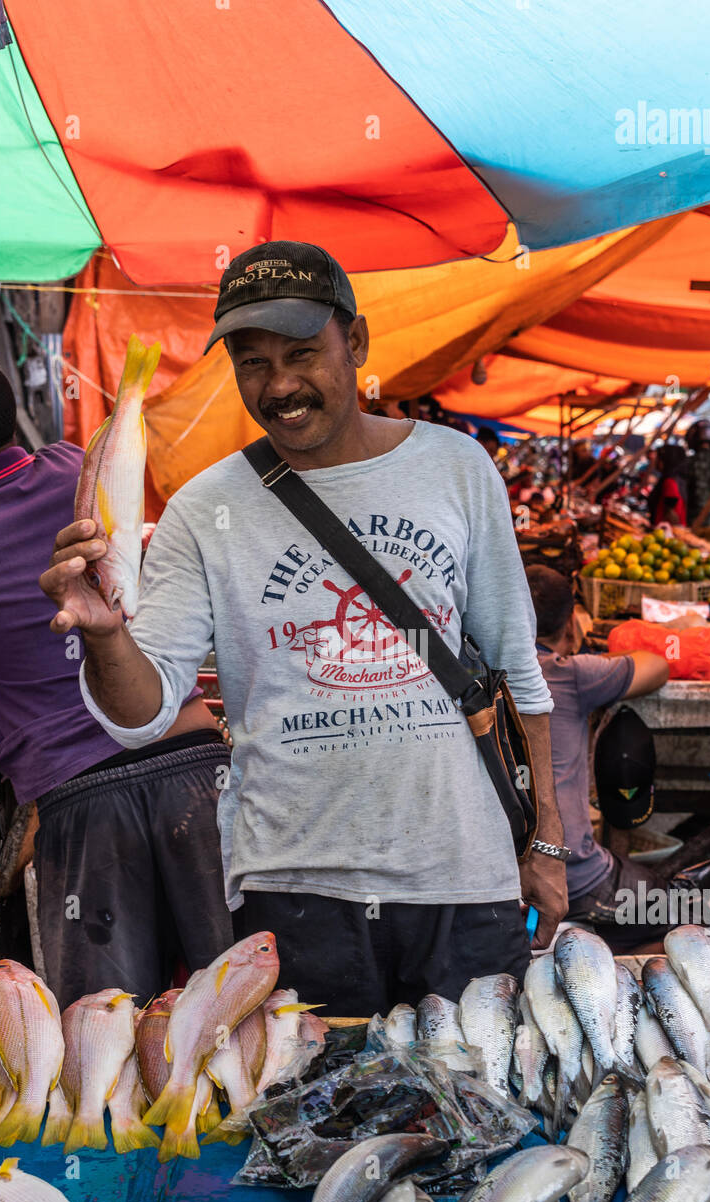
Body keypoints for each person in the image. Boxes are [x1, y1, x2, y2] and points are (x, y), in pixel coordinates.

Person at [40, 239, 571, 1014]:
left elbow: (515, 667)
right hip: (292, 892)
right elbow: (141, 715)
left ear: (354, 342)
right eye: (252, 362)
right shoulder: (203, 509)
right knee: (311, 1094)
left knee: (473, 1088)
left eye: (301, 354)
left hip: (461, 876)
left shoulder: (456, 469)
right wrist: (103, 634)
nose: (280, 385)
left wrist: (546, 840)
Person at [0, 356, 233, 1007]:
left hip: (87, 799)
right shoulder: (72, 467)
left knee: (107, 1026)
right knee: (238, 1009)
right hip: (200, 767)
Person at [526, 565, 674, 949]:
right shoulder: (571, 673)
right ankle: (613, 964)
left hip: (500, 877)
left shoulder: (477, 668)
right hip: (569, 876)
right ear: (570, 624)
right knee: (686, 917)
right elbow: (658, 666)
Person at [647, 441, 690, 527]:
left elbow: (671, 514)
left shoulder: (670, 481)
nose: (656, 461)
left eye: (659, 459)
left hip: (665, 530)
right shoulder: (678, 479)